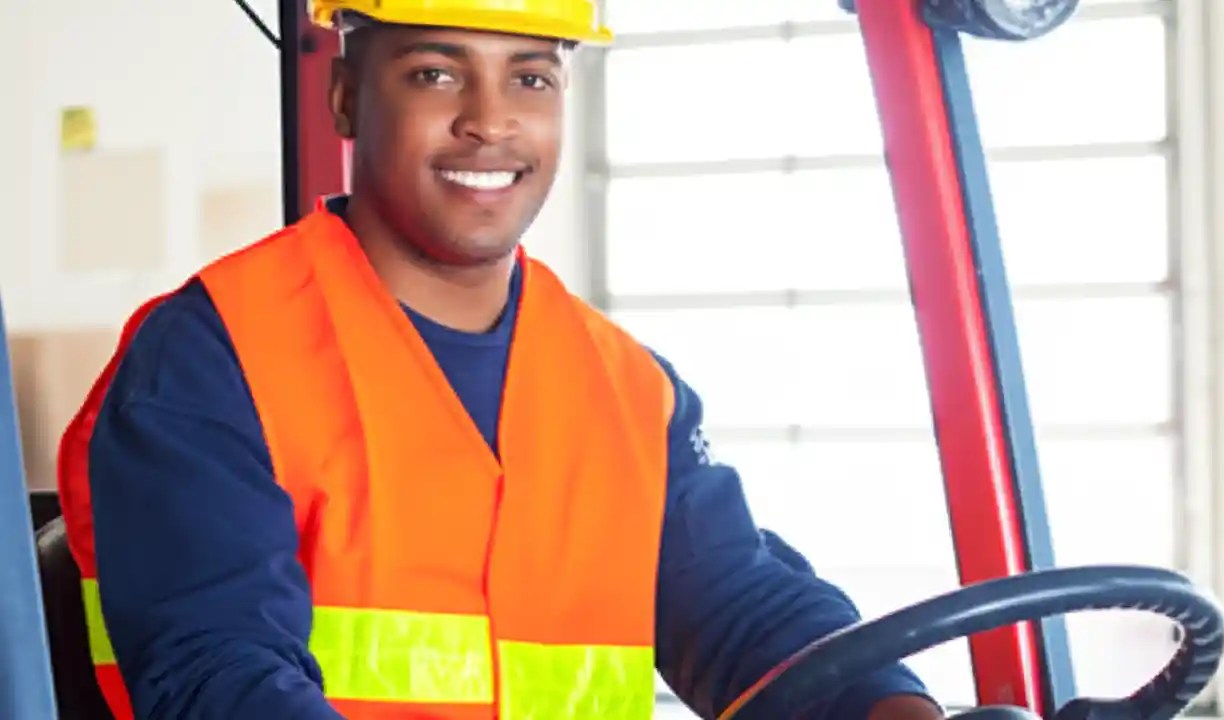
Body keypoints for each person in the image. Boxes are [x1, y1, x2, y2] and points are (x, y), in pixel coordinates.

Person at [55, 1, 947, 718]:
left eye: (530, 77)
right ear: (347, 99)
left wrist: (885, 705)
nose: (490, 122)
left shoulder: (627, 387)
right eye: (436, 73)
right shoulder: (215, 356)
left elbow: (740, 608)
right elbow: (217, 671)